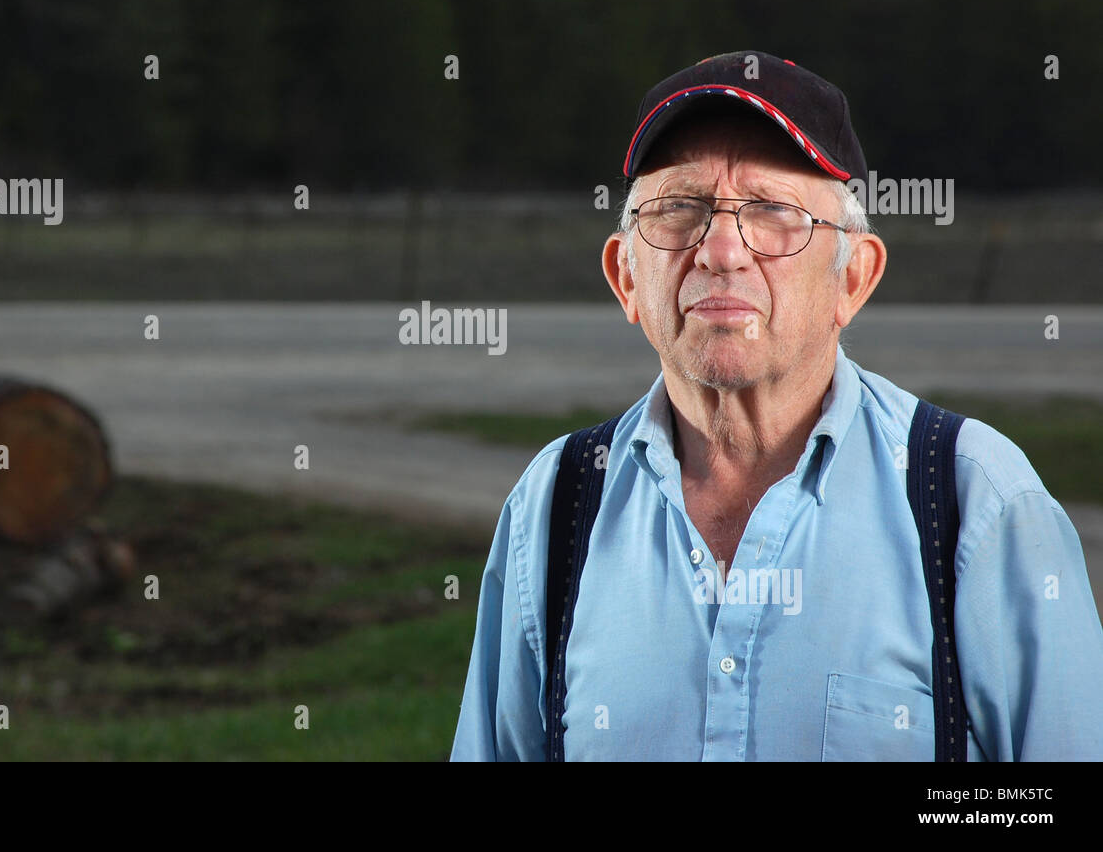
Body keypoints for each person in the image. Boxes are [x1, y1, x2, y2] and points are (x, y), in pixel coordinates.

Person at [449, 51, 1103, 761]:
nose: (721, 250)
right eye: (679, 210)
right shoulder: (553, 506)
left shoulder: (976, 502)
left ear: (853, 277)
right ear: (625, 277)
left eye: (773, 213)